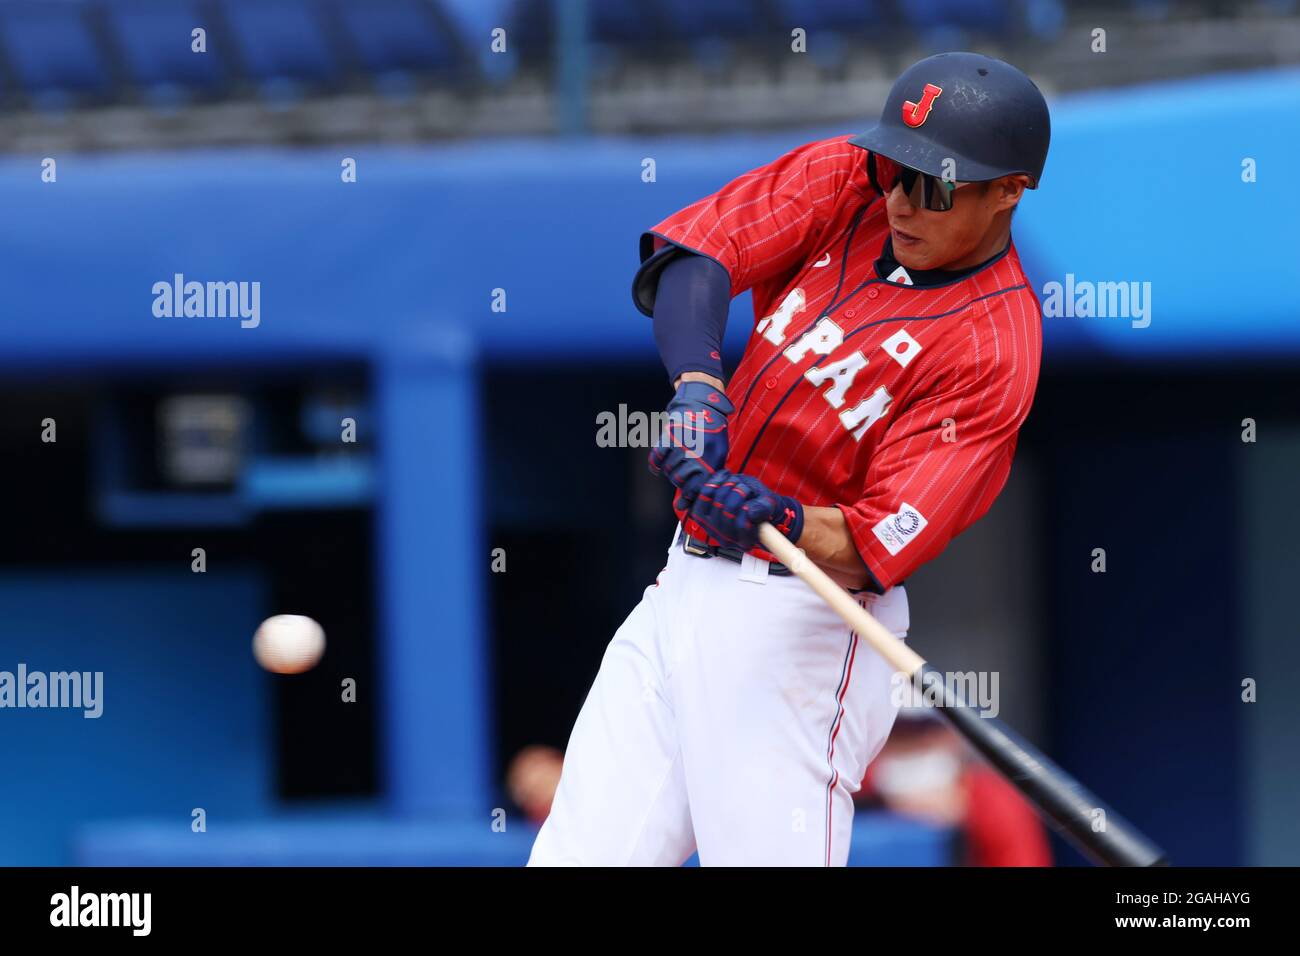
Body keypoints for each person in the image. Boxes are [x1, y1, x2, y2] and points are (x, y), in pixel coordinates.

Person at [529, 51, 1051, 866]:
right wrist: (699, 385)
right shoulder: (852, 181)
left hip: (803, 625)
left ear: (1010, 191)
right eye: (896, 171)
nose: (904, 200)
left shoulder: (995, 348)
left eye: (936, 185)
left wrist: (781, 517)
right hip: (680, 591)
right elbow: (696, 254)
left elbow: (882, 543)